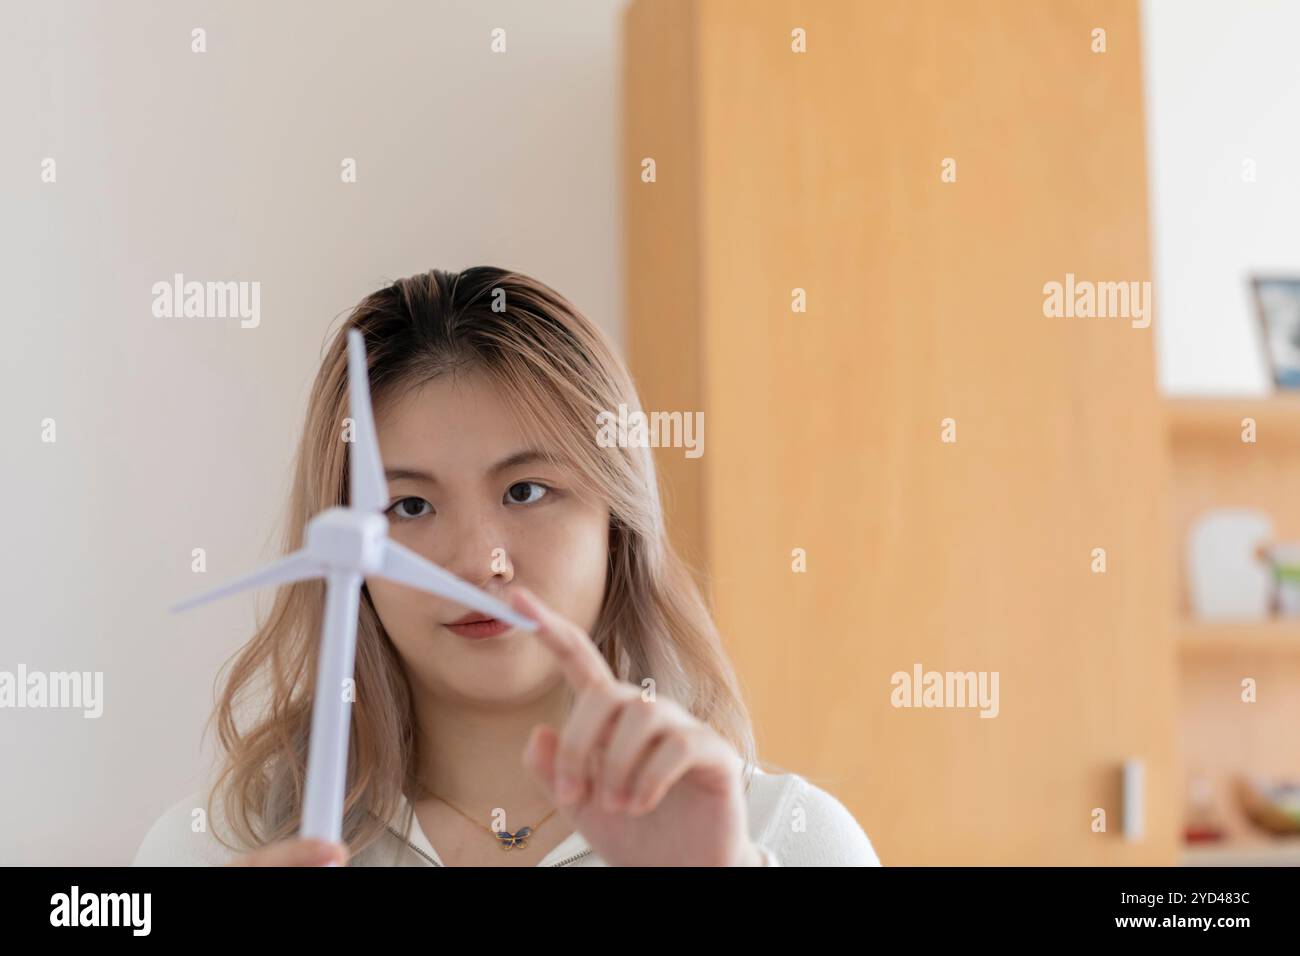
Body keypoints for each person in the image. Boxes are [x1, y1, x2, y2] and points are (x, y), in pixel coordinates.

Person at [132, 267, 881, 867]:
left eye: (526, 491)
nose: (476, 563)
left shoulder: (790, 838)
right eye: (410, 508)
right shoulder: (213, 847)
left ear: (617, 526)